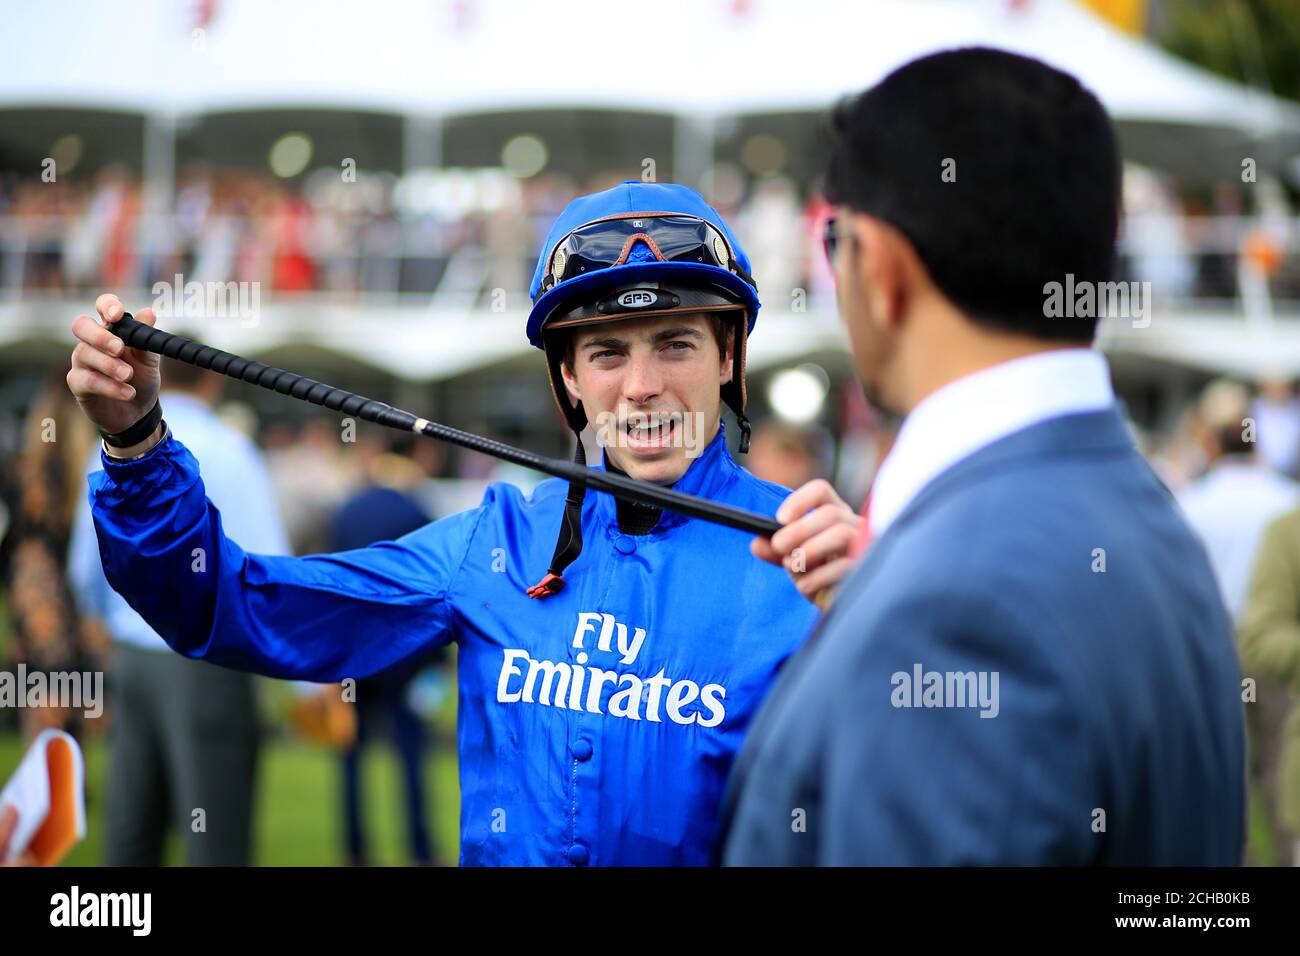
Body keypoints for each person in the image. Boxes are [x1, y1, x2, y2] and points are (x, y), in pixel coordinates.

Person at [66, 181, 857, 866]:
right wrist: (136, 445)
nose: (642, 386)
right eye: (608, 353)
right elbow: (227, 605)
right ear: (571, 381)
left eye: (676, 344)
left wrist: (886, 601)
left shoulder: (815, 562)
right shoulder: (495, 540)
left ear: (729, 358)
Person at [721, 48, 1245, 865]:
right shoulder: (1141, 512)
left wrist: (899, 616)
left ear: (883, 269)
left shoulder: (954, 612)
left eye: (835, 240)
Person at [67, 357, 289, 866]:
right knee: (215, 836)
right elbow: (269, 565)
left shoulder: (107, 447)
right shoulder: (233, 451)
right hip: (208, 661)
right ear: (211, 379)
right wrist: (304, 682)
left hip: (133, 657)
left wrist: (106, 639)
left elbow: (86, 568)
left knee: (129, 832)